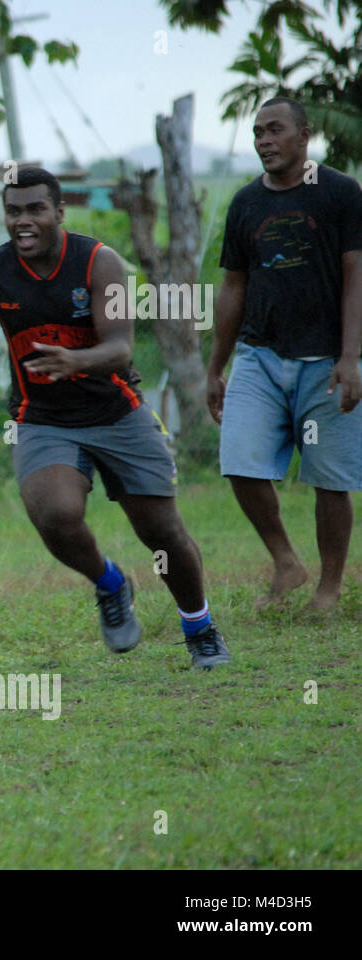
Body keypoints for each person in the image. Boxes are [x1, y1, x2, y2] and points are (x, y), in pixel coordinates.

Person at [0, 166, 231, 669]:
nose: (23, 221)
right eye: (13, 212)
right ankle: (111, 583)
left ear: (58, 212)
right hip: (44, 418)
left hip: (117, 412)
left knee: (162, 531)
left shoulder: (99, 263)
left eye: (35, 210)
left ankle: (199, 626)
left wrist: (77, 360)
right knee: (55, 516)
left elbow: (119, 347)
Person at [208, 96, 362, 612]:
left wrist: (350, 356)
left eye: (275, 130)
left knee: (329, 479)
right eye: (257, 133)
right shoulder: (246, 203)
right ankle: (286, 561)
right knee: (240, 461)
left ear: (304, 136)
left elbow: (355, 276)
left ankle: (330, 587)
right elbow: (233, 287)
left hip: (327, 360)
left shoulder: (340, 193)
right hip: (259, 356)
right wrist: (216, 366)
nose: (265, 141)